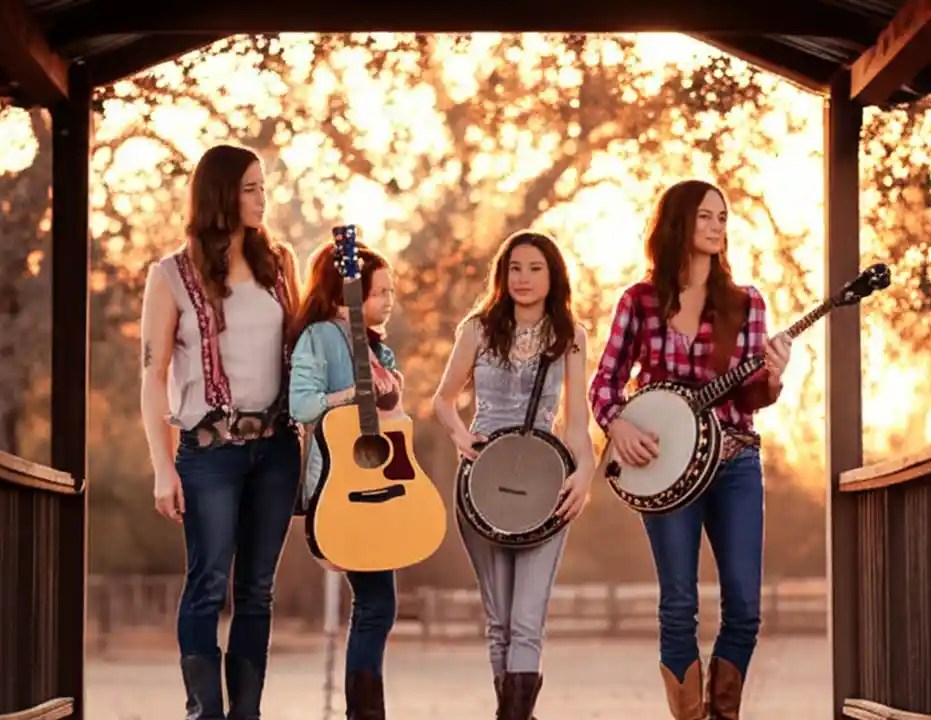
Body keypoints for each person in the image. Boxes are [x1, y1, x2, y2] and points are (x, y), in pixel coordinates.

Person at [588, 180, 791, 719]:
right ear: (679, 223)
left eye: (723, 217)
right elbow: (604, 384)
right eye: (705, 216)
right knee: (679, 606)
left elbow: (752, 397)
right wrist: (619, 427)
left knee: (745, 607)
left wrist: (774, 376)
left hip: (736, 464)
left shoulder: (746, 303)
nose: (718, 226)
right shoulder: (640, 300)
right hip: (663, 469)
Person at [140, 144, 302, 719]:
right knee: (208, 582)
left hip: (278, 449)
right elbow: (153, 375)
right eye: (251, 188)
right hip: (208, 454)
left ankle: (246, 713)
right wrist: (163, 468)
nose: (263, 198)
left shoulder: (280, 264)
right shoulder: (171, 275)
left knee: (257, 589)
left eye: (263, 187)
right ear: (221, 195)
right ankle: (204, 711)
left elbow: (303, 354)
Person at [431, 230, 594, 720]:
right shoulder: (477, 329)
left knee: (527, 620)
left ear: (553, 275)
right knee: (499, 620)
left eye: (535, 268)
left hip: (545, 488)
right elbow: (442, 399)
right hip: (480, 484)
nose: (523, 278)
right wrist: (460, 436)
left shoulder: (572, 336)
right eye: (514, 268)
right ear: (503, 275)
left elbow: (578, 422)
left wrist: (584, 474)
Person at [288, 240, 405, 719]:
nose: (389, 301)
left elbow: (394, 414)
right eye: (379, 293)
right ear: (347, 295)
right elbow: (302, 405)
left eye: (390, 292)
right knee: (377, 603)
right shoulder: (316, 337)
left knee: (379, 604)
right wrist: (351, 393)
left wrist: (389, 388)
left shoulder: (379, 349)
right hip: (337, 488)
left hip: (378, 487)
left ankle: (365, 711)